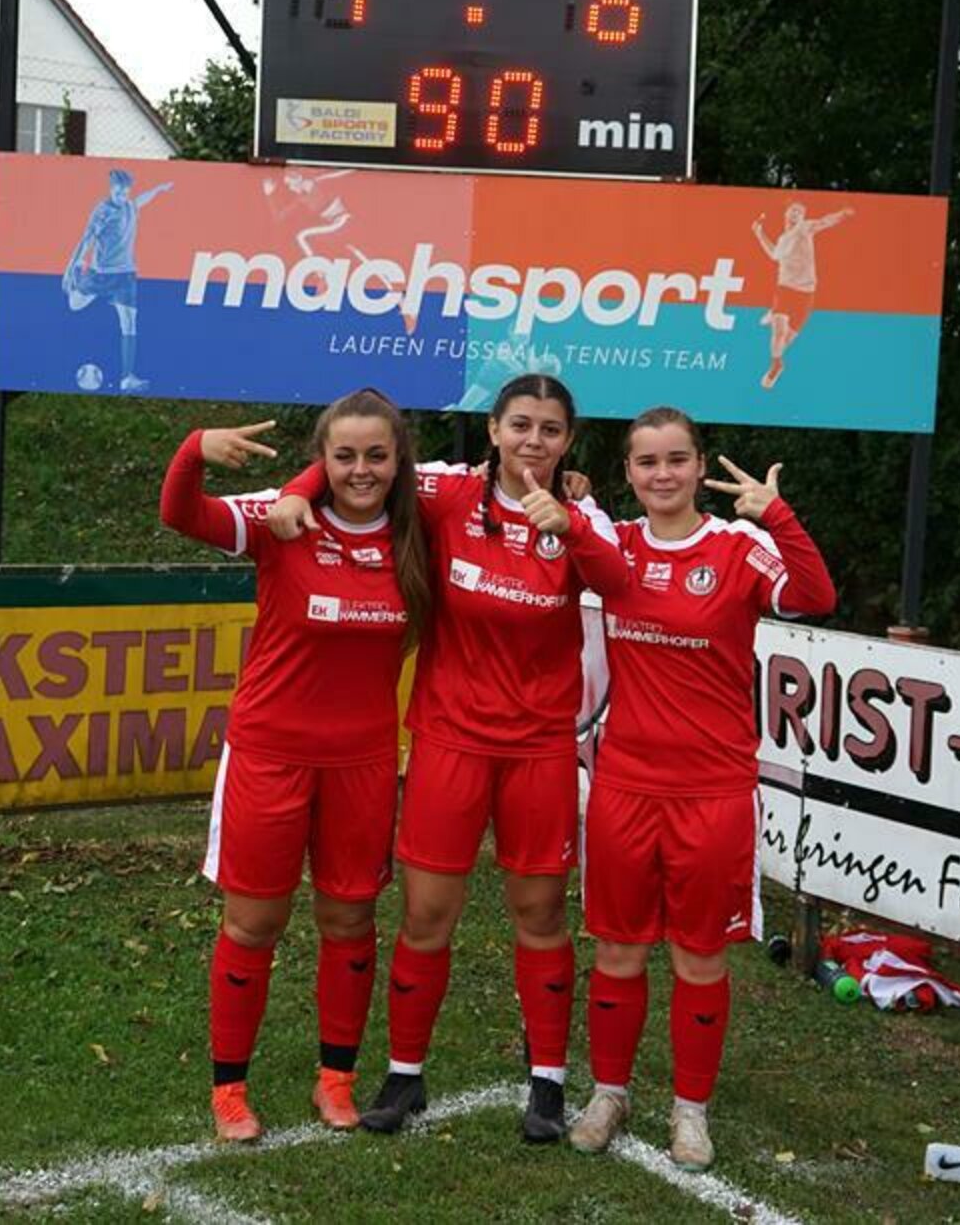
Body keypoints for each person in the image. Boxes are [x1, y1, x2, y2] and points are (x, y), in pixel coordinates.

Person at [267, 374, 630, 1143]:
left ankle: (549, 1081)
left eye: (552, 429)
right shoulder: (446, 495)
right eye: (521, 425)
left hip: (537, 747)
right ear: (493, 430)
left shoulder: (579, 513)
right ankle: (404, 1073)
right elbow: (370, 463)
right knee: (428, 913)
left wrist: (573, 528)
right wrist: (300, 488)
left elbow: (622, 584)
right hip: (449, 740)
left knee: (538, 912)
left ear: (569, 442)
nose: (535, 440)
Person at [566, 406, 836, 1170]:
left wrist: (776, 515)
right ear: (629, 473)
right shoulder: (612, 545)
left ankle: (691, 1112)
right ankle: (609, 1092)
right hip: (622, 785)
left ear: (699, 464)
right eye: (647, 462)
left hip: (713, 791)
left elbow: (815, 598)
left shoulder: (739, 546)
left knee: (699, 957)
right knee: (617, 949)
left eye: (677, 459)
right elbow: (544, 532)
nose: (663, 474)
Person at [157, 390, 431, 1142]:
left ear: (399, 458)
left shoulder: (419, 532)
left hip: (364, 762)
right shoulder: (284, 521)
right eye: (343, 455)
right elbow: (184, 515)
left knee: (349, 917)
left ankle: (335, 1080)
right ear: (323, 459)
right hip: (269, 755)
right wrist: (193, 450)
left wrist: (567, 487)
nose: (361, 469)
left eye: (377, 454)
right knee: (254, 921)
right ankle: (230, 1091)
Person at [64, 169, 173, 391]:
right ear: (111, 188)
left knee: (129, 323)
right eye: (118, 190)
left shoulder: (130, 206)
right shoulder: (102, 212)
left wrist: (159, 190)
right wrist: (70, 266)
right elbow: (86, 240)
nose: (122, 195)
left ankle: (127, 378)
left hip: (125, 275)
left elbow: (141, 200)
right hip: (100, 274)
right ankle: (78, 275)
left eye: (125, 191)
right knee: (74, 305)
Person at [750, 202, 852, 390]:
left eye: (800, 211)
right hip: (785, 289)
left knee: (786, 341)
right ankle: (776, 365)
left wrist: (841, 214)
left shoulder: (804, 228)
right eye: (793, 210)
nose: (796, 213)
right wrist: (759, 233)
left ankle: (773, 316)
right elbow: (774, 255)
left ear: (803, 218)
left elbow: (824, 222)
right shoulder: (782, 239)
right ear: (786, 213)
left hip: (806, 294)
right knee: (778, 333)